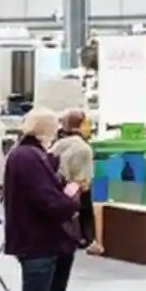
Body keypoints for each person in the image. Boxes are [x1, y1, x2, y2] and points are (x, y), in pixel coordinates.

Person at [2, 107, 84, 291]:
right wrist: (72, 200)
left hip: (48, 242)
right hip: (38, 243)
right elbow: (49, 200)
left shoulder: (28, 156)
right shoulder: (27, 158)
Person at [51, 108, 100, 254]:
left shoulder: (57, 144)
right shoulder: (83, 148)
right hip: (74, 189)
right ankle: (87, 239)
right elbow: (82, 183)